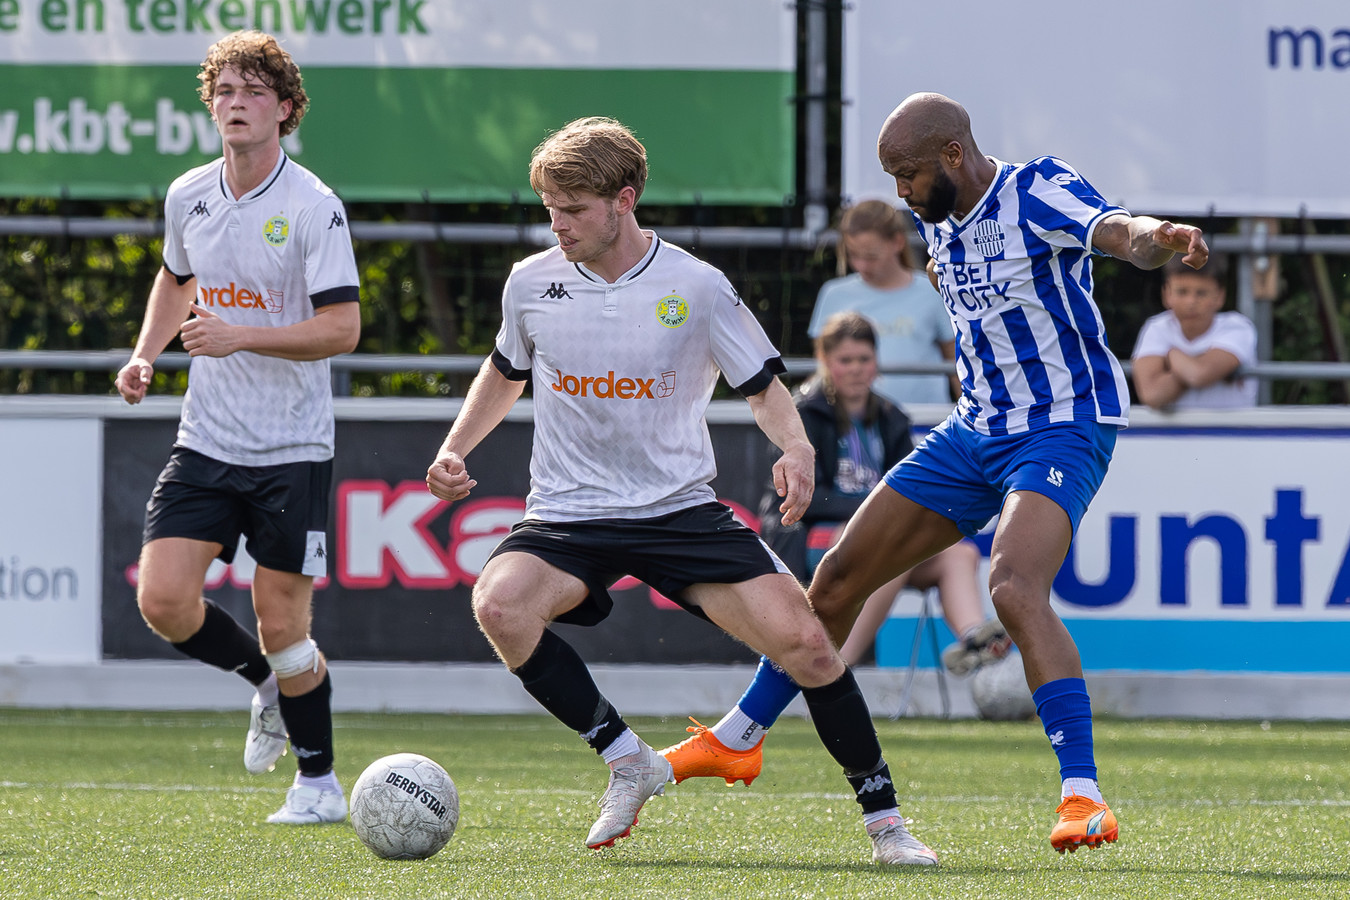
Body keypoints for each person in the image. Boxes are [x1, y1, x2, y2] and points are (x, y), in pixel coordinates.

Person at [663, 92, 1209, 855]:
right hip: (974, 429)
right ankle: (738, 736)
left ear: (953, 154)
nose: (901, 191)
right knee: (838, 579)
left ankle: (1083, 795)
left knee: (1013, 585)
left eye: (908, 174)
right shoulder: (936, 218)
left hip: (1061, 423)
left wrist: (1159, 237)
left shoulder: (1035, 189)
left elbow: (1117, 232)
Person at [424, 117, 937, 866]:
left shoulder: (696, 285)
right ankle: (626, 758)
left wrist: (796, 446)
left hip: (678, 511)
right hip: (570, 513)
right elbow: (505, 373)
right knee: (500, 605)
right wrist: (454, 446)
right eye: (550, 209)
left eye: (573, 209)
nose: (557, 224)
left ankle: (887, 826)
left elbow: (762, 386)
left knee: (808, 645)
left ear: (624, 200)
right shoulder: (531, 283)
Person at [114, 30, 361, 825]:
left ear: (285, 110)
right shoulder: (189, 194)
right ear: (210, 105)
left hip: (292, 449)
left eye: (255, 92)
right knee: (163, 601)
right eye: (224, 90)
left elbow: (343, 329)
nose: (236, 103)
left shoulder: (313, 206)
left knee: (284, 626)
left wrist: (239, 335)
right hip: (207, 439)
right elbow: (175, 278)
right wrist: (146, 354)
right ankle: (262, 685)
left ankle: (318, 784)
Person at [758, 311, 1004, 671]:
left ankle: (974, 641)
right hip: (810, 534)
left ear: (876, 362)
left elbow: (913, 489)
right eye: (845, 360)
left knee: (959, 555)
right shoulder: (802, 414)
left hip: (874, 534)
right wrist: (874, 509)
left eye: (864, 359)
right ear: (825, 360)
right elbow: (802, 500)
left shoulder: (892, 416)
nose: (856, 369)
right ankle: (839, 665)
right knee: (885, 544)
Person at [808, 199, 957, 406]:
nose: (861, 265)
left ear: (898, 242)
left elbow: (957, 365)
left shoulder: (932, 290)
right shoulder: (833, 294)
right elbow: (822, 368)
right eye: (853, 255)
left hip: (926, 416)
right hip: (854, 419)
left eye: (871, 256)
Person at [1131, 256, 1257, 409]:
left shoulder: (1237, 327)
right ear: (1167, 294)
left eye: (1201, 293)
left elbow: (1198, 375)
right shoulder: (1156, 328)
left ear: (1220, 296)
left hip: (1232, 425)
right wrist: (1197, 368)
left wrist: (1172, 356)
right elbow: (1152, 395)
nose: (1191, 302)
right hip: (1175, 427)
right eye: (1182, 292)